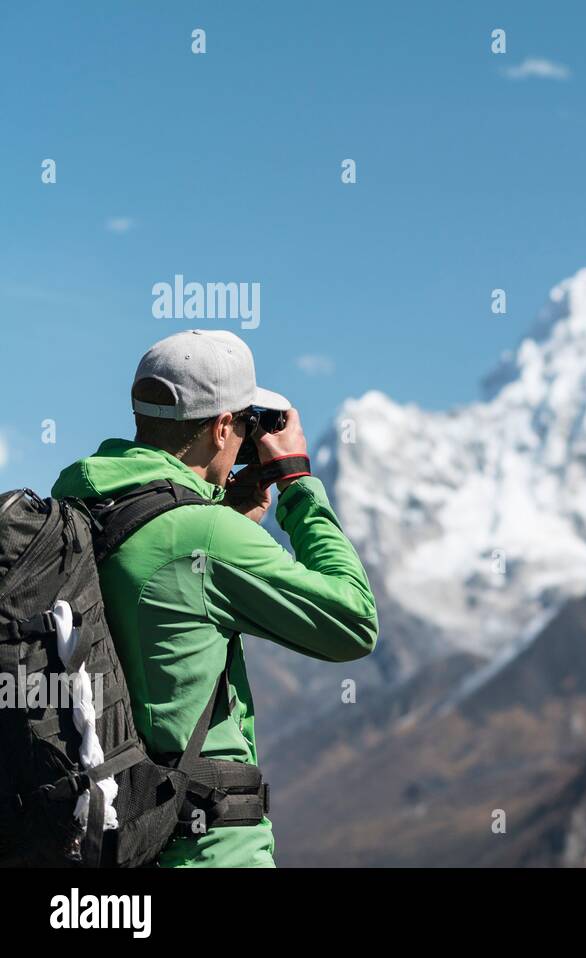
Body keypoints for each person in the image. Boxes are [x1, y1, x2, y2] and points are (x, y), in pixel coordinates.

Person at [51, 329, 378, 867]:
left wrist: (219, 513)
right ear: (224, 426)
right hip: (206, 850)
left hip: (107, 850)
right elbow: (354, 621)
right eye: (246, 424)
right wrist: (297, 483)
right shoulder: (204, 536)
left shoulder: (74, 510)